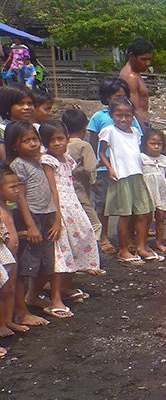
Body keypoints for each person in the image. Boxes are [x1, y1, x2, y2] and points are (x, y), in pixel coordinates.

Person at [39, 121, 99, 317]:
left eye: (60, 138)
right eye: (51, 140)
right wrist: (56, 218)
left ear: (67, 138)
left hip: (73, 207)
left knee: (80, 242)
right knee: (61, 252)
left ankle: (65, 287)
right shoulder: (48, 161)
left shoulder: (67, 159)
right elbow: (52, 190)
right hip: (60, 210)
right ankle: (55, 297)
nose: (56, 143)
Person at [5, 121, 58, 327]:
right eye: (26, 141)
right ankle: (21, 312)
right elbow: (21, 198)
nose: (33, 144)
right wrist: (30, 225)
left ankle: (32, 298)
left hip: (44, 216)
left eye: (34, 139)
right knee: (25, 267)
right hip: (31, 217)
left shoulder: (38, 162)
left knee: (46, 262)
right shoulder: (18, 165)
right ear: (14, 146)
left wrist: (54, 218)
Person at [98, 97, 159, 265]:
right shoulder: (109, 130)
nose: (123, 119)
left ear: (132, 115)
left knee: (143, 213)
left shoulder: (135, 131)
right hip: (121, 176)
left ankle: (141, 247)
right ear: (111, 115)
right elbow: (102, 152)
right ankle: (123, 250)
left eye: (127, 115)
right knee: (124, 215)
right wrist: (109, 168)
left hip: (137, 175)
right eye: (119, 115)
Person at [88, 77, 143, 253]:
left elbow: (136, 142)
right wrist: (93, 165)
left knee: (129, 205)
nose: (120, 99)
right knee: (104, 203)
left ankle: (129, 238)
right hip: (106, 168)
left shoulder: (130, 117)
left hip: (128, 170)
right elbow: (93, 142)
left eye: (123, 95)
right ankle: (104, 237)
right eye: (115, 96)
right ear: (106, 97)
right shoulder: (100, 117)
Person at [63, 109, 102, 241]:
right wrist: (95, 185)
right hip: (79, 189)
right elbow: (91, 168)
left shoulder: (61, 145)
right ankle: (92, 247)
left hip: (63, 190)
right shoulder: (84, 146)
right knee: (94, 223)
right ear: (84, 129)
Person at [140, 128, 166, 252]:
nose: (156, 146)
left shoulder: (164, 160)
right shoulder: (142, 158)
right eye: (152, 143)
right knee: (146, 218)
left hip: (160, 192)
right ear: (145, 143)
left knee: (161, 217)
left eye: (159, 144)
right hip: (146, 191)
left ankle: (159, 242)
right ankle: (142, 243)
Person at [0, 167, 24, 340]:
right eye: (12, 187)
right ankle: (1, 324)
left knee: (10, 289)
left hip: (12, 255)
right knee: (3, 291)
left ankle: (8, 320)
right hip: (3, 256)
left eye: (18, 186)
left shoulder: (8, 207)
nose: (17, 190)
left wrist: (22, 234)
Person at [120, 38, 153, 128]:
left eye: (149, 59)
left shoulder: (136, 73)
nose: (147, 63)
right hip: (139, 125)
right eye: (143, 59)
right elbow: (134, 109)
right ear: (132, 56)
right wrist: (144, 132)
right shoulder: (130, 77)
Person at [0, 85, 35, 161]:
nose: (26, 107)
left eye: (30, 103)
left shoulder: (34, 128)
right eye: (21, 103)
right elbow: (6, 160)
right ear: (8, 106)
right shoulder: (2, 130)